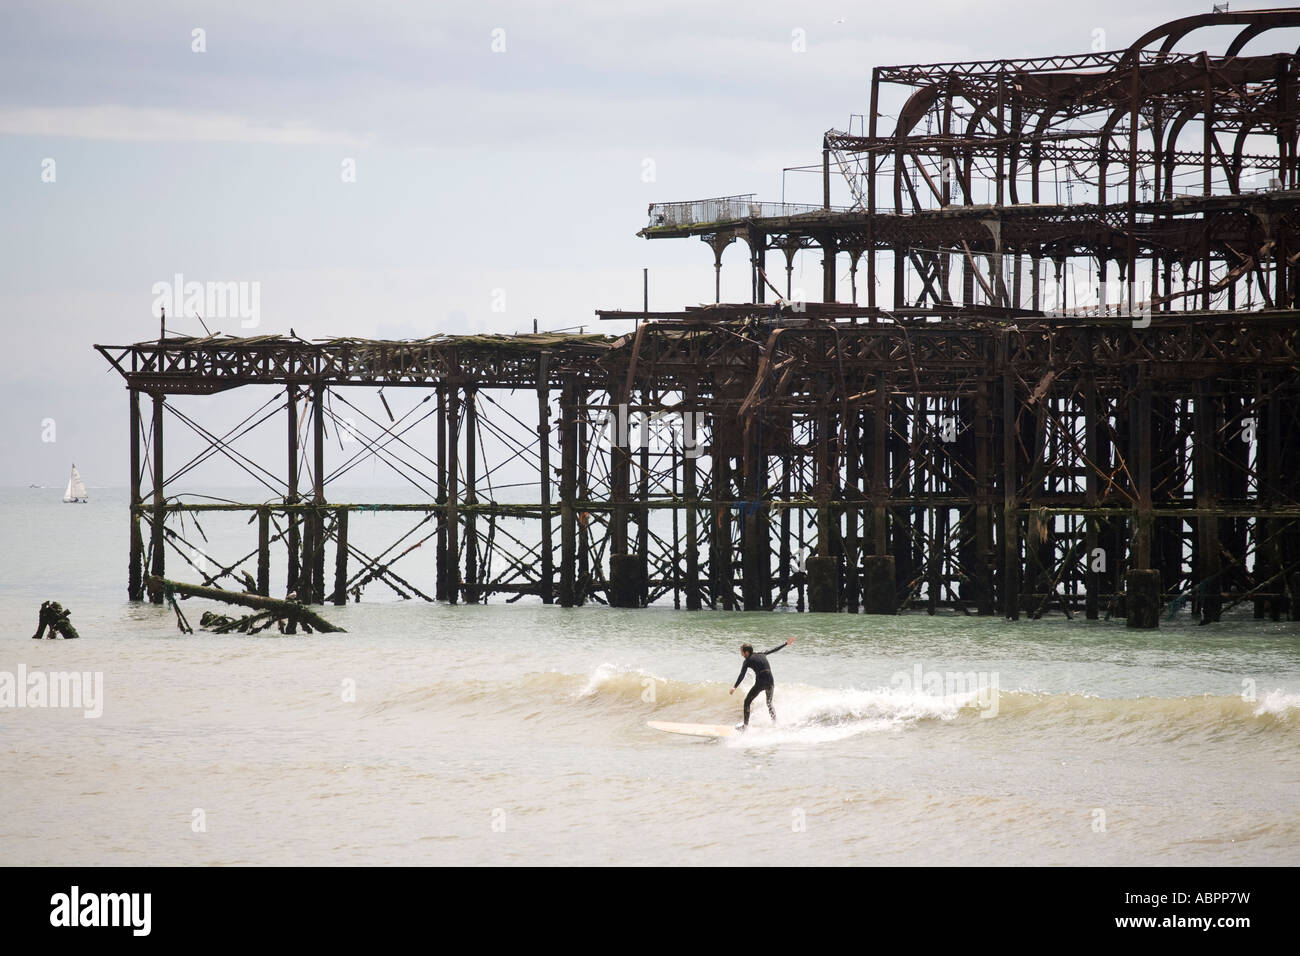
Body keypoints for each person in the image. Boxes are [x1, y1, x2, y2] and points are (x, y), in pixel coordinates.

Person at [729, 638, 795, 729]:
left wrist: (734, 687)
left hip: (761, 683)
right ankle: (775, 723)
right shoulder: (762, 653)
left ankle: (745, 727)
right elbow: (773, 649)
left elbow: (742, 675)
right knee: (769, 703)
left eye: (741, 652)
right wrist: (786, 643)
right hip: (771, 682)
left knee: (747, 702)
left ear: (746, 652)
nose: (741, 654)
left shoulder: (747, 661)